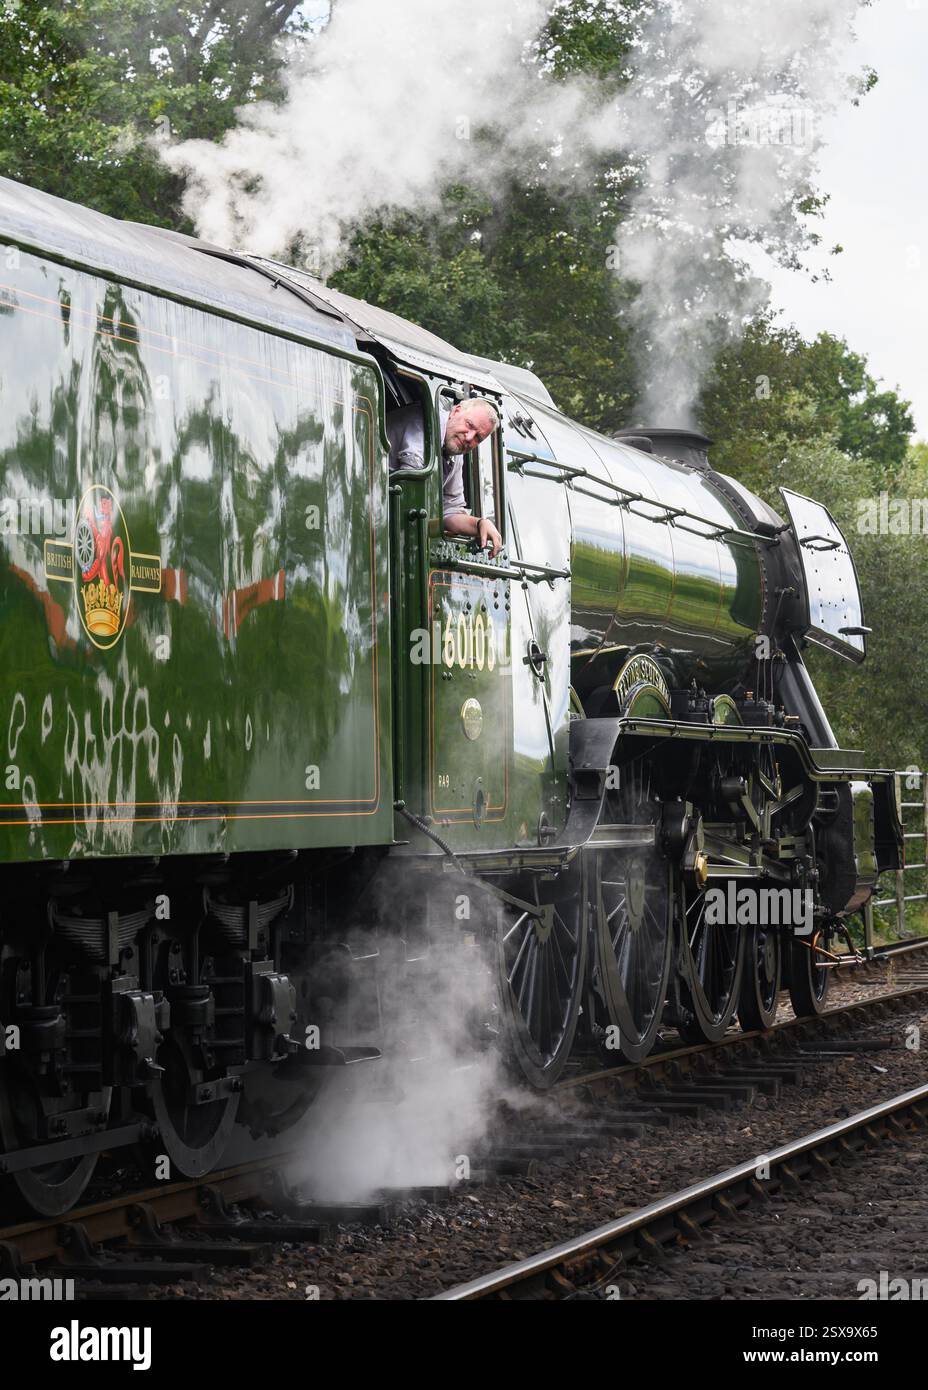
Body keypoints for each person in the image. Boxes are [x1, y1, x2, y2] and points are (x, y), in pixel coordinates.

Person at [386, 396, 503, 557]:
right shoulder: (425, 422)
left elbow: (450, 509)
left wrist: (479, 524)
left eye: (477, 438)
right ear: (455, 411)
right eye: (469, 425)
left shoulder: (455, 448)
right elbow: (411, 493)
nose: (469, 438)